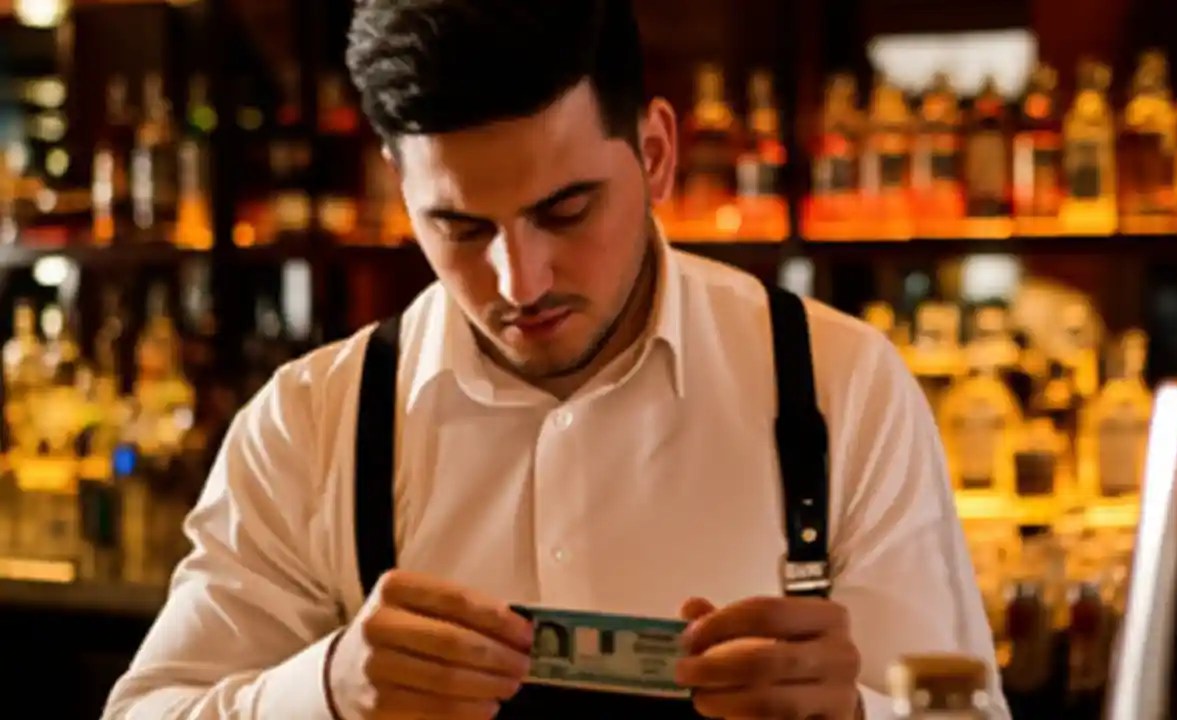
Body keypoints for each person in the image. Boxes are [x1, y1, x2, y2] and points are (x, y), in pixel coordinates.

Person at [103, 1, 1009, 718]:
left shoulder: (838, 386)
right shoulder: (311, 423)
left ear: (655, 153)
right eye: (458, 227)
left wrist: (851, 715)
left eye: (566, 211)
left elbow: (964, 713)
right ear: (396, 185)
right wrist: (330, 691)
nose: (519, 278)